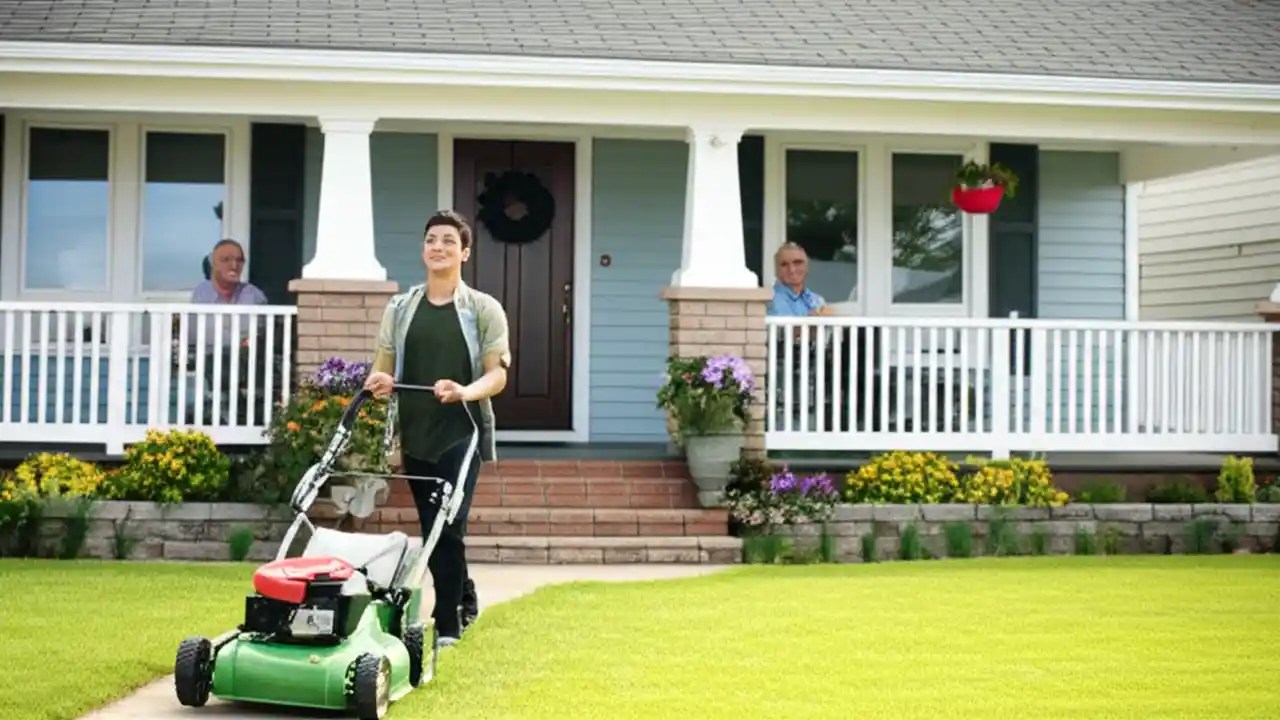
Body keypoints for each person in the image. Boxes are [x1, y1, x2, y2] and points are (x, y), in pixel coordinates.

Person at [364, 209, 511, 649]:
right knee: (433, 528)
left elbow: (497, 375)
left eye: (449, 240)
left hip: (460, 434)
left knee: (449, 524)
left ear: (464, 251)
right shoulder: (401, 308)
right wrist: (379, 382)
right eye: (431, 239)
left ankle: (447, 620)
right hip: (416, 433)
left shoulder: (483, 309)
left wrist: (465, 391)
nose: (439, 247)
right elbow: (383, 366)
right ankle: (463, 593)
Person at [189, 239, 269, 306]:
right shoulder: (203, 293)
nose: (234, 266)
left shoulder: (254, 296)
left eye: (239, 260)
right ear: (213, 263)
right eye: (226, 260)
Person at [768, 242, 832, 317]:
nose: (792, 270)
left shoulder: (817, 300)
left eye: (797, 262)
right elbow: (783, 328)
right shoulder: (769, 300)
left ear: (807, 267)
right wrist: (811, 322)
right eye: (784, 264)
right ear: (776, 270)